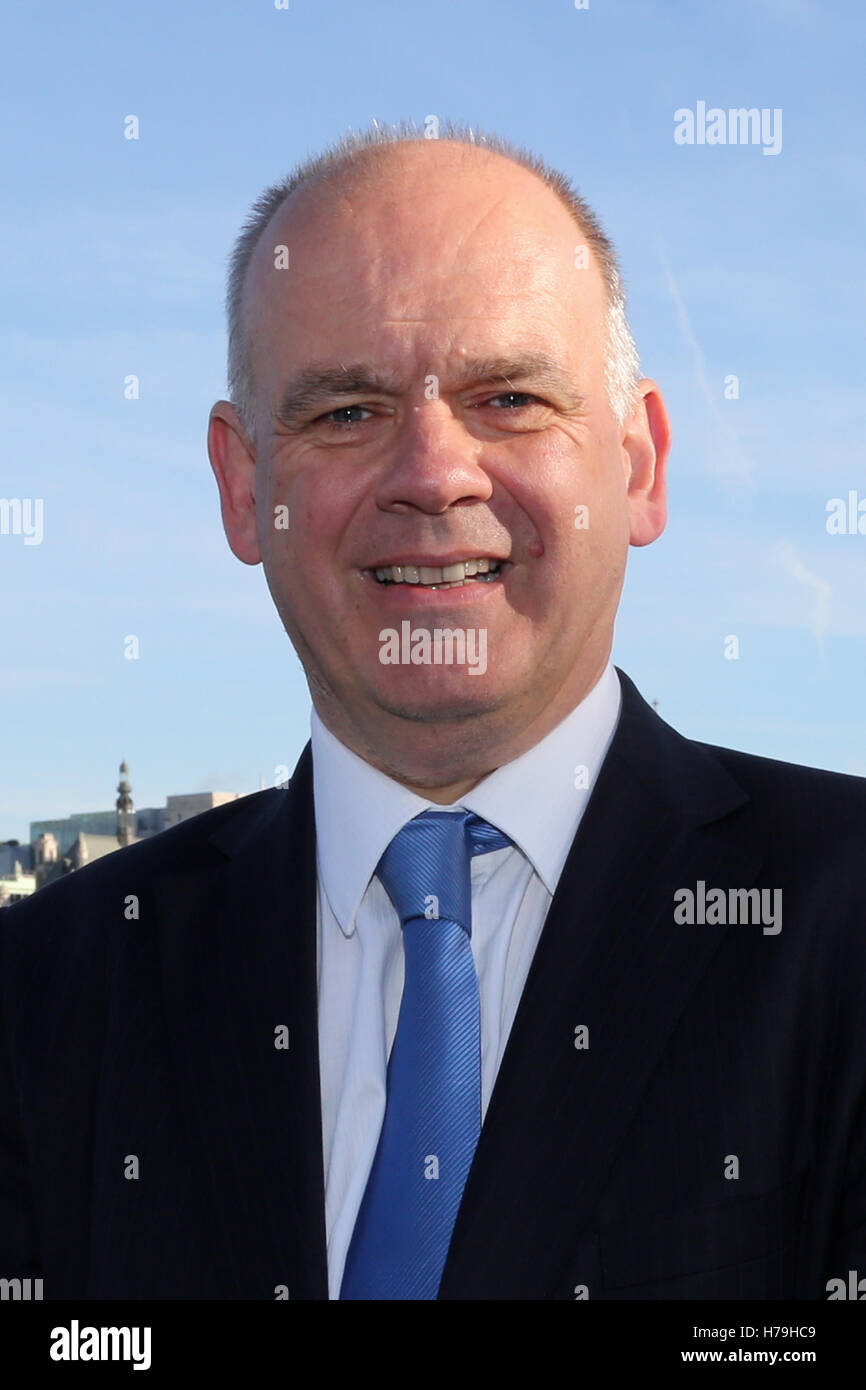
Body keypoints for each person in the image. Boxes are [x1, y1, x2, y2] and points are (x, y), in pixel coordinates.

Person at [1, 123, 864, 1301]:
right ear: (244, 487)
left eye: (507, 397)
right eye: (346, 411)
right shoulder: (46, 993)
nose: (432, 470)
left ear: (638, 466)